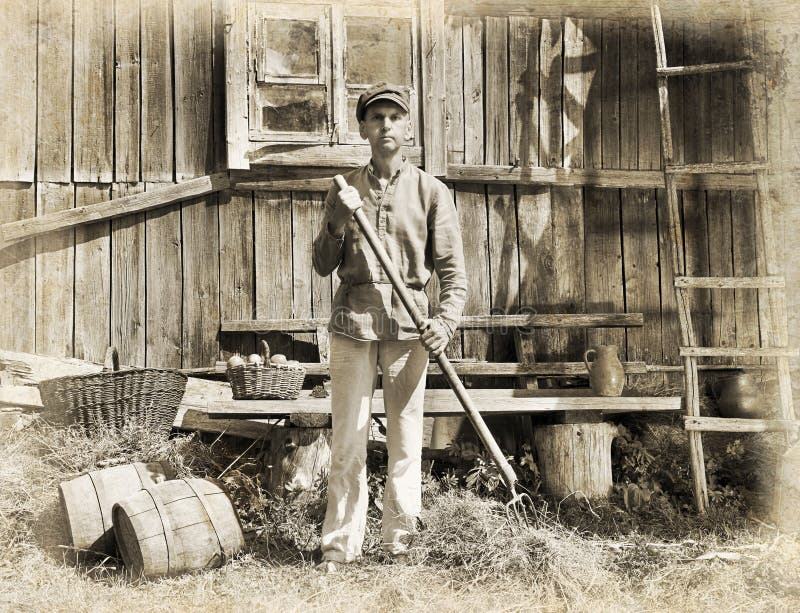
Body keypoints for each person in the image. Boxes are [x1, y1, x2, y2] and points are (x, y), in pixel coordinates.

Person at [312, 82, 467, 571]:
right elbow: (321, 265)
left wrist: (445, 322)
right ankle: (339, 548)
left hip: (408, 331)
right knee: (348, 442)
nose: (384, 126)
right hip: (353, 326)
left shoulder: (431, 192)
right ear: (362, 128)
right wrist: (335, 225)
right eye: (375, 117)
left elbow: (453, 274)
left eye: (393, 118)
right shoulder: (343, 190)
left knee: (404, 442)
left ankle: (399, 544)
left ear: (407, 128)